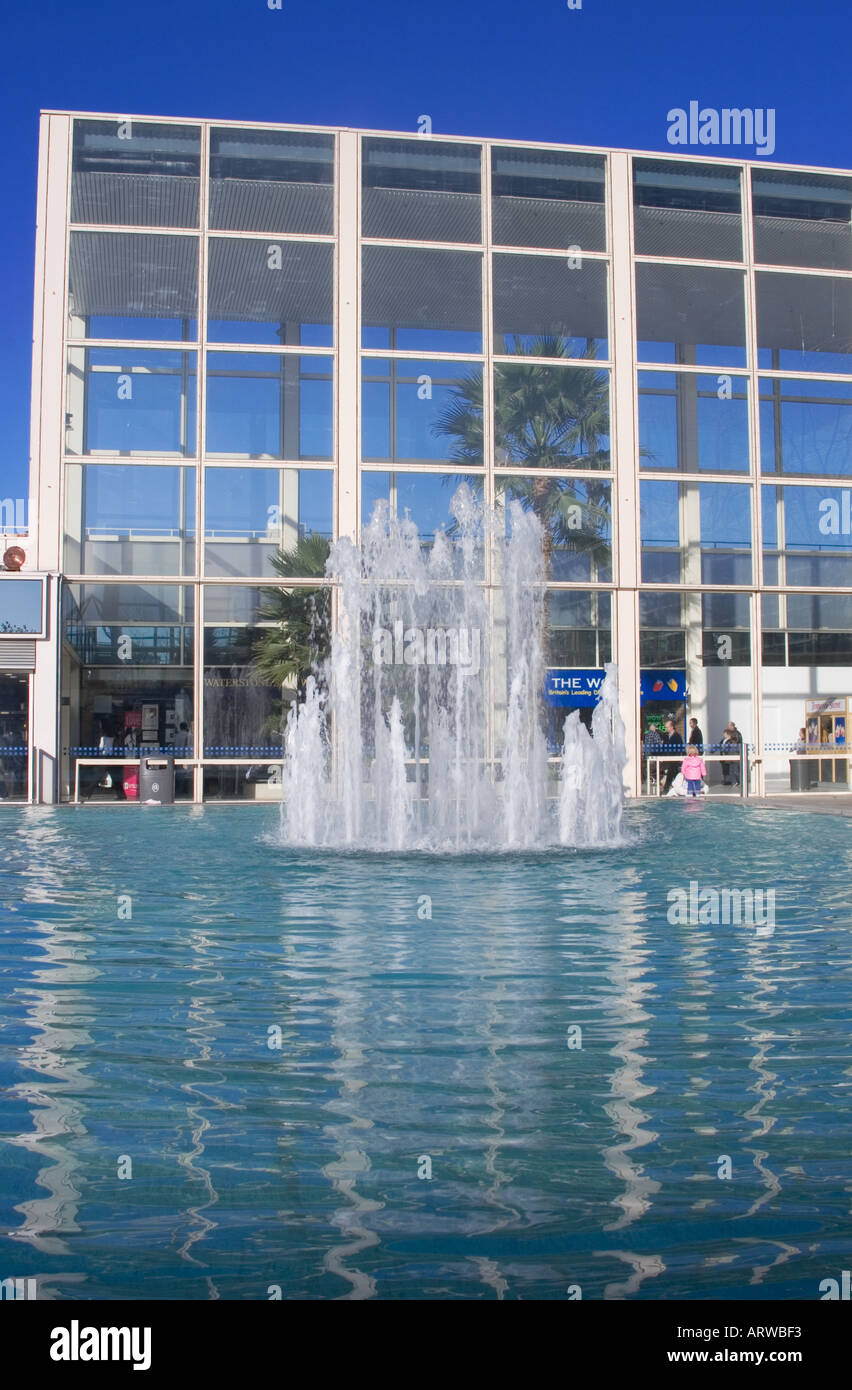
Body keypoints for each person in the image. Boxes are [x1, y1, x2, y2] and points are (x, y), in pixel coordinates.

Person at [661, 716, 683, 793]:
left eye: (667, 727)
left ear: (672, 727)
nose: (666, 729)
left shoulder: (677, 736)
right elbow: (663, 747)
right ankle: (677, 787)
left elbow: (680, 747)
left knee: (671, 772)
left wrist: (678, 757)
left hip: (674, 758)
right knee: (675, 774)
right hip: (667, 757)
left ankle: (666, 789)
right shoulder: (665, 736)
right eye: (665, 727)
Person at [720, 721, 742, 786]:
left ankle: (736, 781)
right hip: (727, 756)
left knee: (735, 770)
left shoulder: (736, 735)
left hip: (733, 756)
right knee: (729, 770)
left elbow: (738, 743)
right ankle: (730, 781)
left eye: (729, 725)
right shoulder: (726, 739)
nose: (728, 727)